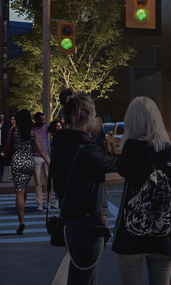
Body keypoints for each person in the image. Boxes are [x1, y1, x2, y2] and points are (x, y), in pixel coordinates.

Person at [112, 97, 171, 285]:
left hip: (129, 239)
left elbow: (121, 168)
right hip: (163, 238)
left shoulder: (129, 150)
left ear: (131, 123)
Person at [52, 93, 118, 285]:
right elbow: (117, 165)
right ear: (88, 116)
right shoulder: (87, 150)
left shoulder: (60, 144)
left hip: (70, 225)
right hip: (88, 228)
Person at [4, 108, 36, 233]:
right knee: (24, 188)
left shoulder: (13, 132)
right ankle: (22, 205)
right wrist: (48, 161)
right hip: (29, 163)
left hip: (17, 162)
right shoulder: (33, 134)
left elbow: (8, 145)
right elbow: (40, 149)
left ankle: (21, 221)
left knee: (19, 192)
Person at [33, 111, 53, 212]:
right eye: (42, 119)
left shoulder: (46, 128)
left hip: (46, 156)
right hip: (36, 157)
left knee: (48, 180)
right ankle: (39, 203)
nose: (44, 121)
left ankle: (48, 201)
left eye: (45, 119)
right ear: (37, 120)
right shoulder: (31, 129)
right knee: (38, 182)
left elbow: (56, 127)